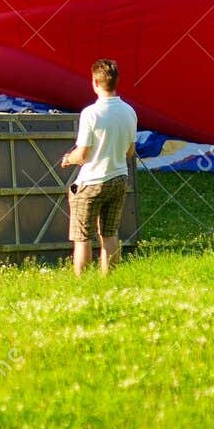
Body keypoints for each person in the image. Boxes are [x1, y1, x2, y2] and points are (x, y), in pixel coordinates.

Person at [60, 59, 137, 276]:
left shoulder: (90, 113)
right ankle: (108, 281)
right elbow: (129, 152)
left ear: (94, 82)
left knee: (82, 237)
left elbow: (83, 153)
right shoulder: (130, 111)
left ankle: (82, 283)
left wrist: (68, 159)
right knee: (109, 234)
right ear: (116, 81)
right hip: (119, 178)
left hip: (91, 182)